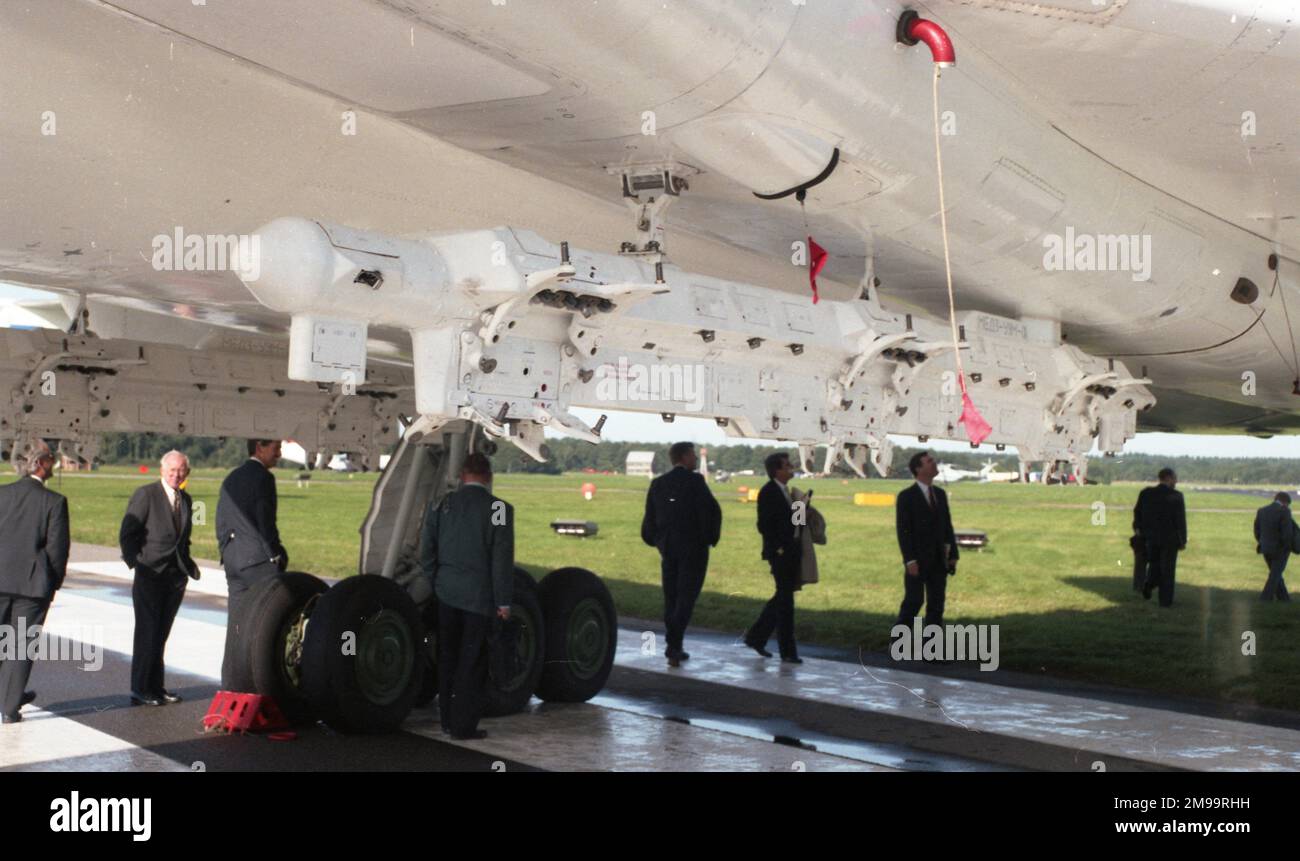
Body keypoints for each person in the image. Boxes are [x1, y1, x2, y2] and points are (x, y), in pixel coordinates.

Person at [420, 452, 513, 740]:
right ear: (489, 477)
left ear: (462, 476)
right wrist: (503, 601)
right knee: (471, 663)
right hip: (479, 598)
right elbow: (501, 560)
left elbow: (426, 551)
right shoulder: (498, 508)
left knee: (447, 657)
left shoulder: (442, 504)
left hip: (447, 594)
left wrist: (437, 581)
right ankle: (464, 725)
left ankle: (447, 720)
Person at [119, 450, 198, 706]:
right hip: (150, 575)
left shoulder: (186, 500)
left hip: (175, 578)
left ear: (187, 472)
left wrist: (185, 565)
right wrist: (138, 563)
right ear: (162, 470)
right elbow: (128, 533)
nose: (177, 475)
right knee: (147, 632)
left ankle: (156, 686)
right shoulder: (146, 494)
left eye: (181, 470)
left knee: (161, 633)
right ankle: (140, 688)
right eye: (172, 470)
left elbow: (182, 539)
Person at [0, 440, 69, 724]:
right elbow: (57, 550)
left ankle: (8, 695)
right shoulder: (54, 501)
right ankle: (9, 706)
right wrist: (52, 583)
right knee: (19, 646)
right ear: (40, 464)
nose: (53, 465)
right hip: (32, 585)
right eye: (50, 460)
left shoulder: (2, 494)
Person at [641, 441, 722, 667]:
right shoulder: (696, 481)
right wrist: (709, 539)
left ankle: (674, 645)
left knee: (671, 596)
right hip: (693, 548)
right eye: (693, 456)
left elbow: (650, 519)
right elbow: (711, 511)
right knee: (687, 596)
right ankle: (674, 642)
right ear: (685, 457)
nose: (696, 459)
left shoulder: (658, 483)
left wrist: (658, 541)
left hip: (668, 548)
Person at [215, 439, 287, 690]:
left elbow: (221, 520)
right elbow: (264, 519)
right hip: (258, 561)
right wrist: (275, 554)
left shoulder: (231, 477)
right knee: (266, 625)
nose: (279, 454)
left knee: (235, 625)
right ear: (259, 448)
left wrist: (226, 551)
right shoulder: (264, 479)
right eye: (275, 448)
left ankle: (230, 686)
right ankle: (261, 688)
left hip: (234, 561)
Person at [743, 452, 802, 663]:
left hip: (790, 552)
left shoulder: (787, 492)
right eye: (788, 465)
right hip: (780, 554)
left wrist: (802, 506)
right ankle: (788, 652)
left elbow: (797, 524)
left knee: (782, 598)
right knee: (786, 602)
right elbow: (764, 525)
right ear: (777, 470)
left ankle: (756, 637)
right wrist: (779, 549)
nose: (792, 467)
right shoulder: (769, 492)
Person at [895, 450, 958, 630]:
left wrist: (953, 554)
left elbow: (947, 527)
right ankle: (898, 643)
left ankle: (932, 651)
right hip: (918, 560)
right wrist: (910, 560)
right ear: (918, 468)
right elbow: (903, 531)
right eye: (929, 461)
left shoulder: (940, 494)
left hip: (939, 559)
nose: (934, 463)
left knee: (936, 606)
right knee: (913, 602)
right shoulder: (906, 496)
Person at [1133, 467, 1186, 607]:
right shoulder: (1176, 496)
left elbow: (1137, 512)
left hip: (1150, 538)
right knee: (1168, 571)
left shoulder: (1146, 493)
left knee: (1154, 566)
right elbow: (1180, 521)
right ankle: (1165, 601)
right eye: (1175, 478)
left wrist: (1138, 529)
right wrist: (1182, 540)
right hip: (1170, 540)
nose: (1176, 481)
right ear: (1168, 478)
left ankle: (1148, 585)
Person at [1254, 491, 1294, 602]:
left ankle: (1284, 598)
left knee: (1276, 574)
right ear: (1285, 502)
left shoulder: (1262, 511)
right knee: (1275, 575)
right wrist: (1287, 546)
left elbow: (1257, 530)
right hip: (1280, 549)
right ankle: (1265, 599)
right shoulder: (1285, 511)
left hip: (1265, 548)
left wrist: (1262, 541)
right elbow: (1287, 533)